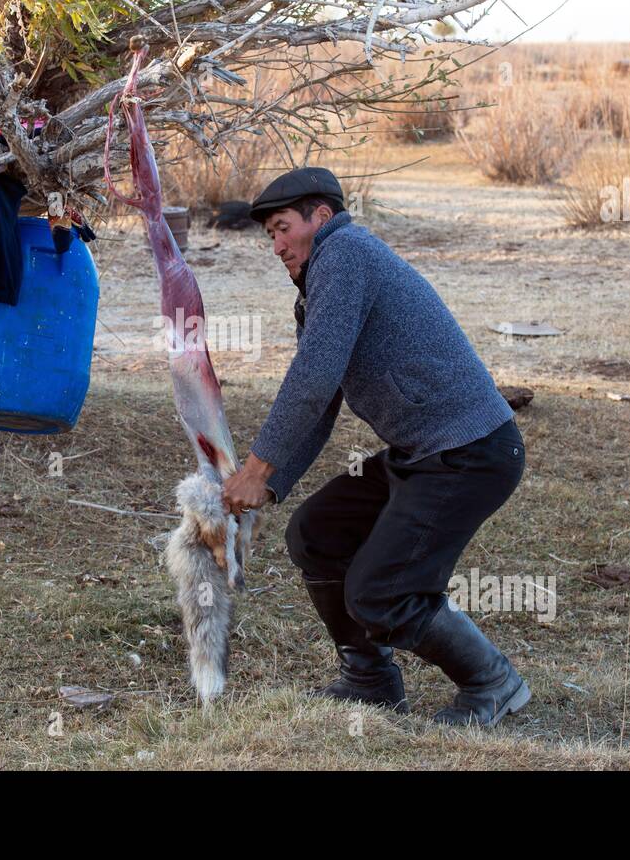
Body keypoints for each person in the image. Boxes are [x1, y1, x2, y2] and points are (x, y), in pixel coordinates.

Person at [221, 167, 529, 726]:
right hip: (424, 455)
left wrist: (256, 465)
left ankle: (493, 681)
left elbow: (312, 378)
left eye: (283, 227)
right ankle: (370, 680)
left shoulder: (344, 255)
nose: (277, 245)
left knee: (380, 592)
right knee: (317, 534)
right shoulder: (322, 283)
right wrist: (269, 482)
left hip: (471, 454)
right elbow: (321, 400)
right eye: (269, 235)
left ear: (323, 217)